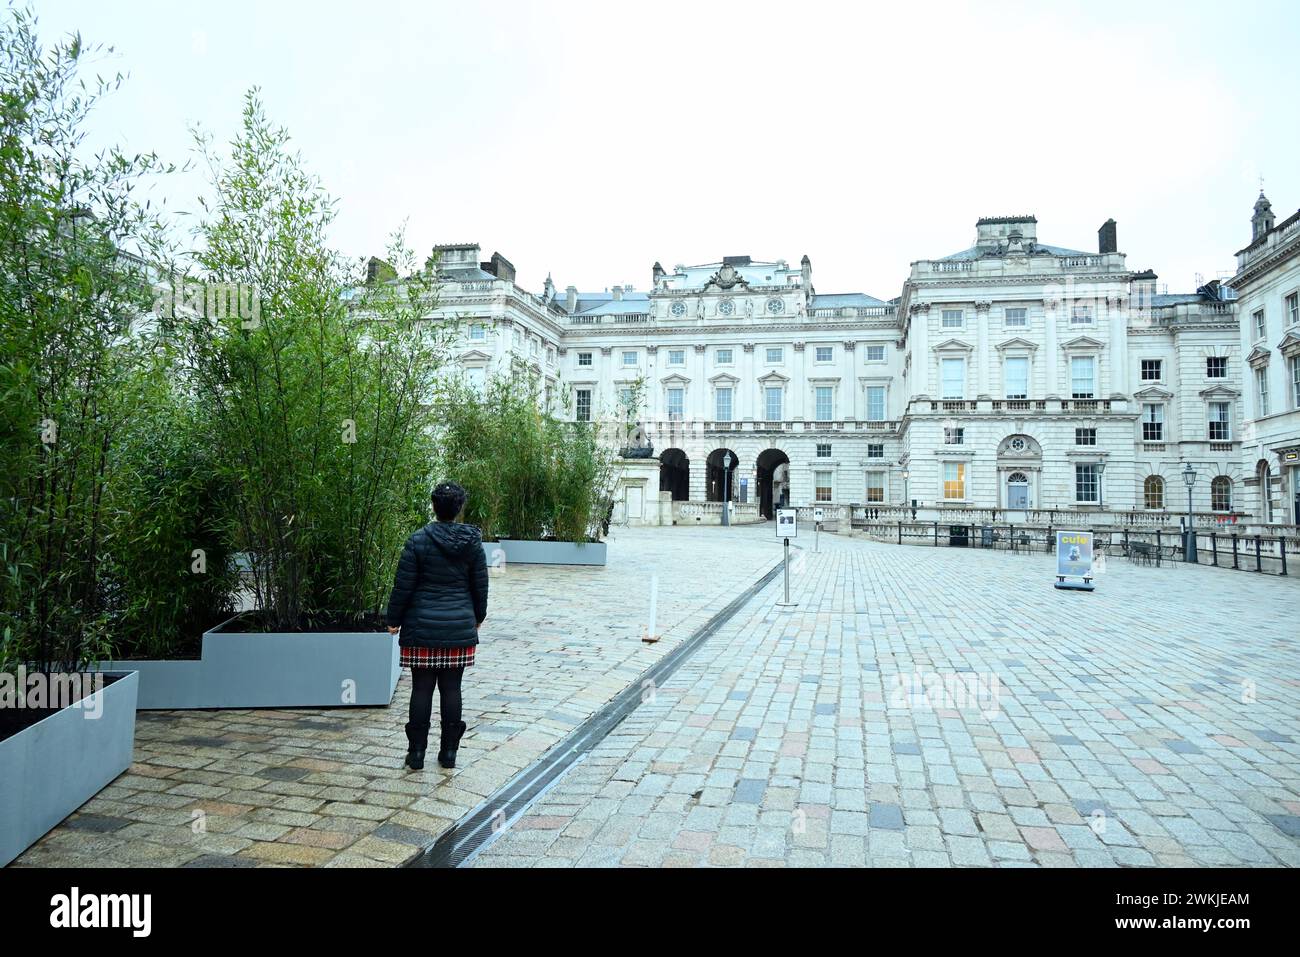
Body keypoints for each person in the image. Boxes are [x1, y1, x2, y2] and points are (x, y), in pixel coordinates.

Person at [386, 481, 488, 771]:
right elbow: (480, 585)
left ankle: (416, 754)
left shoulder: (417, 540)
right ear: (459, 508)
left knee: (421, 689)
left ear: (433, 506)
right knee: (452, 689)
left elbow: (403, 586)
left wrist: (394, 619)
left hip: (421, 627)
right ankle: (449, 754)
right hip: (458, 626)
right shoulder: (473, 543)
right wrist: (477, 617)